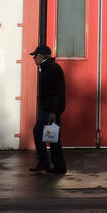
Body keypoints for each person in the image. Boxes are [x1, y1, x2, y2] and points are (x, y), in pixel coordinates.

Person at [29, 44, 66, 174]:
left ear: (40, 56)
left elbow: (58, 92)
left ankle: (47, 163)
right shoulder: (46, 67)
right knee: (52, 137)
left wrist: (53, 112)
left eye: (35, 56)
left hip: (49, 110)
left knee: (40, 133)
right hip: (48, 109)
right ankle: (57, 165)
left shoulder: (51, 68)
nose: (34, 59)